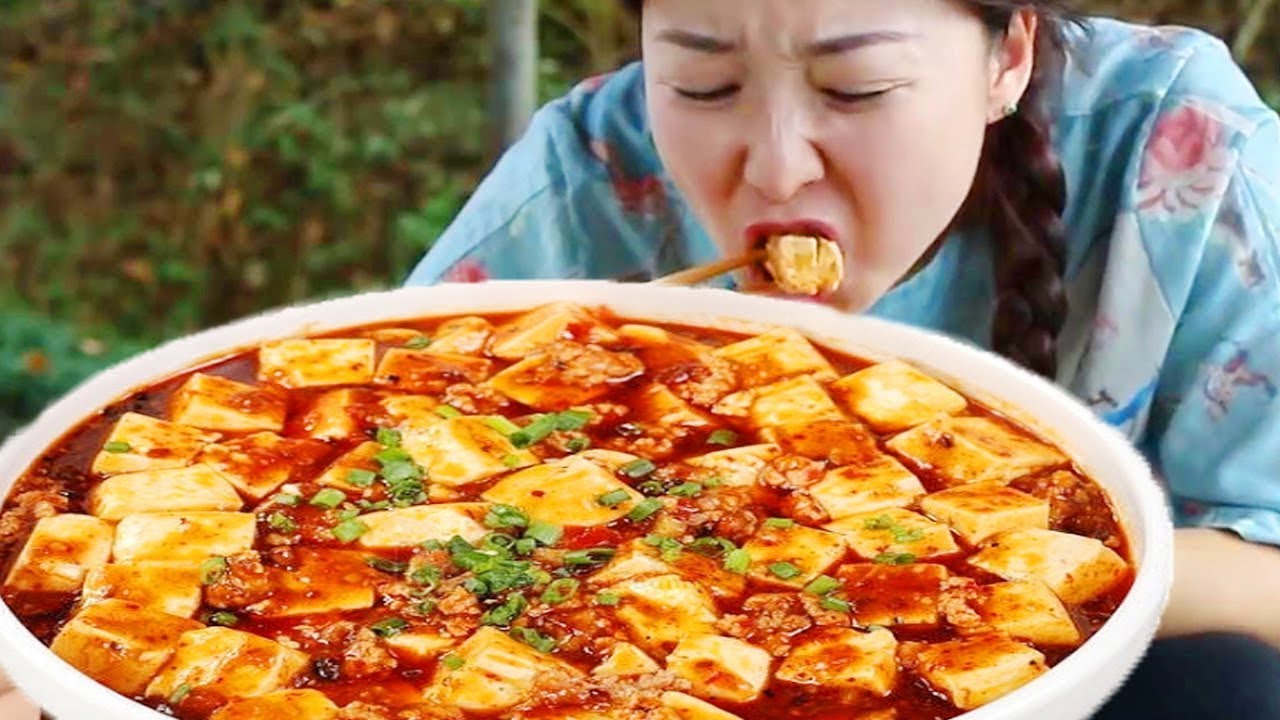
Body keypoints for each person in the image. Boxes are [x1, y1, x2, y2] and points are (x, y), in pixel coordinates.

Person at [405, 1, 1280, 716]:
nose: (778, 170)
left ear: (1007, 59)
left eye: (858, 88)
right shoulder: (589, 172)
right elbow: (403, 411)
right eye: (703, 85)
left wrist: (932, 566)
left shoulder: (1188, 150)